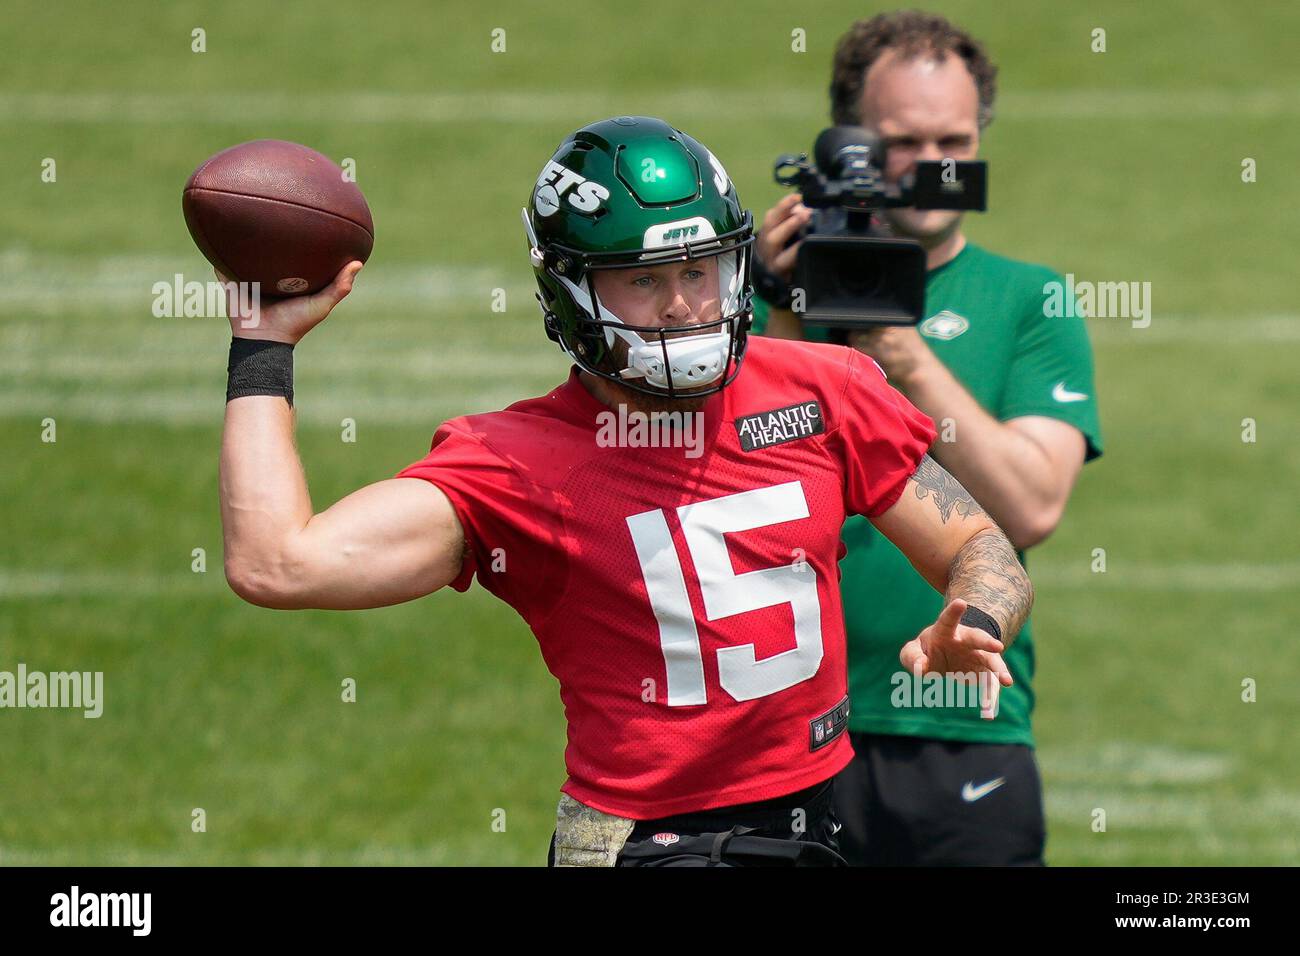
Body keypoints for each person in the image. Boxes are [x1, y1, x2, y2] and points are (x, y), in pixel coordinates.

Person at [217, 115, 1033, 867]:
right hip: (647, 848)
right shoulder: (516, 462)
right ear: (571, 294)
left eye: (699, 269)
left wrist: (980, 619)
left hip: (816, 826)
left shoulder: (824, 390)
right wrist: (263, 343)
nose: (682, 306)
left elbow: (981, 546)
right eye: (641, 281)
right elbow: (278, 565)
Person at [752, 12, 1103, 865]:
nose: (929, 166)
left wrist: (897, 349)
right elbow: (717, 482)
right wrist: (763, 303)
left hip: (961, 727)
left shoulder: (1031, 298)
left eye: (953, 138)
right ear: (845, 146)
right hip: (775, 728)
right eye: (899, 143)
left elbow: (1029, 505)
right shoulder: (758, 301)